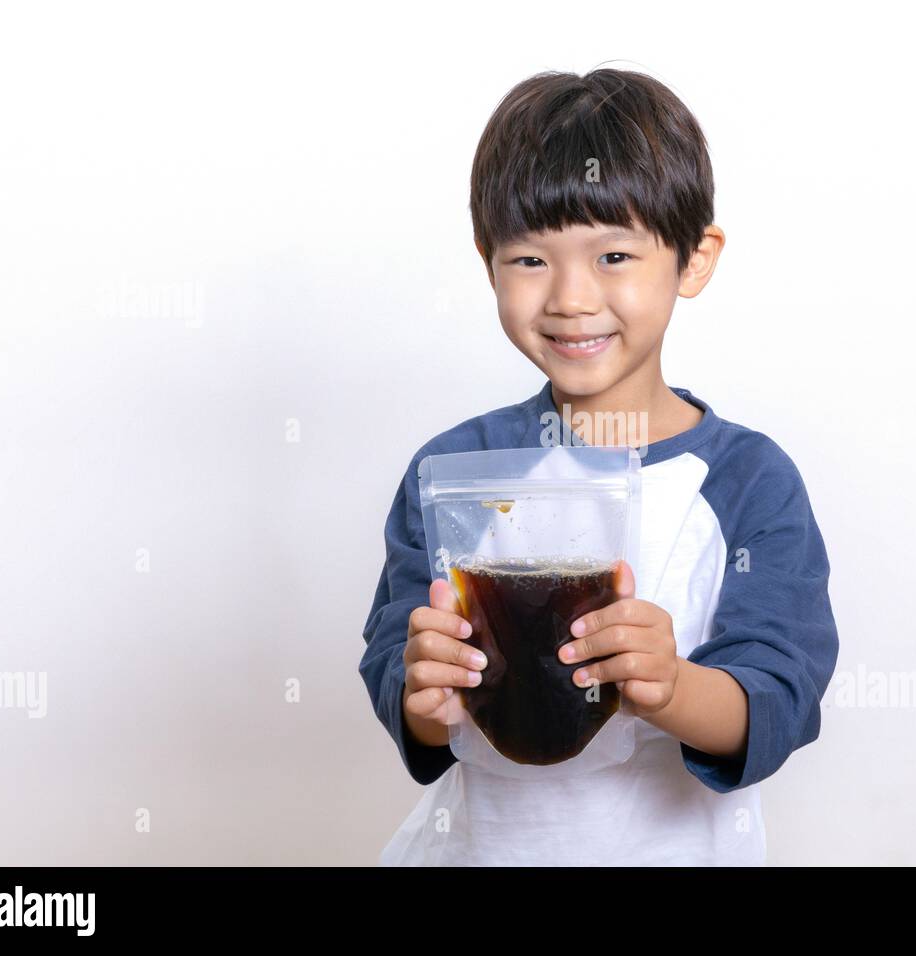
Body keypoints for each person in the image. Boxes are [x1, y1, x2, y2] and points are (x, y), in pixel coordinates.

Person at [359, 67, 839, 865]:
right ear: (487, 261)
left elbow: (778, 697)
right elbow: (397, 674)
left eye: (614, 254)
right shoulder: (456, 469)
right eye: (529, 260)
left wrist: (672, 685)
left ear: (694, 259)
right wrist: (419, 690)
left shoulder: (750, 482)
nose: (572, 298)